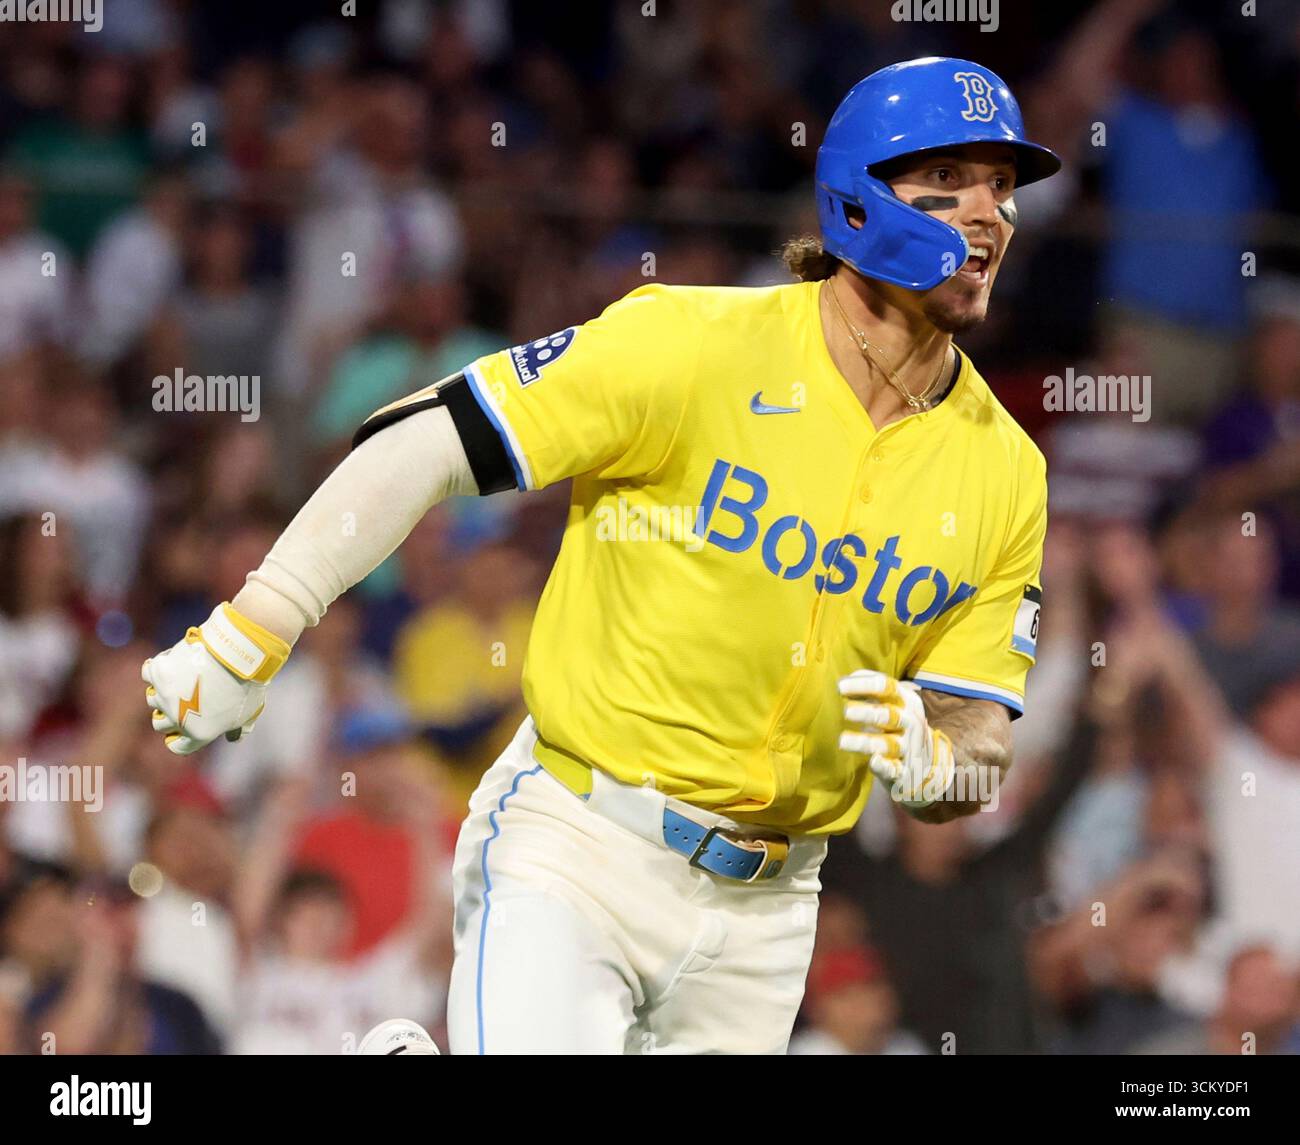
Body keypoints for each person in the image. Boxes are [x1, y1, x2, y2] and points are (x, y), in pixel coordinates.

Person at [141, 57, 1057, 1054]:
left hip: (771, 909)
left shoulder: (1004, 471)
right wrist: (252, 628)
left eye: (1002, 189)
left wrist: (939, 765)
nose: (988, 217)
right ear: (855, 202)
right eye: (949, 184)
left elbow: (976, 734)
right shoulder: (692, 343)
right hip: (580, 842)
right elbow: (428, 440)